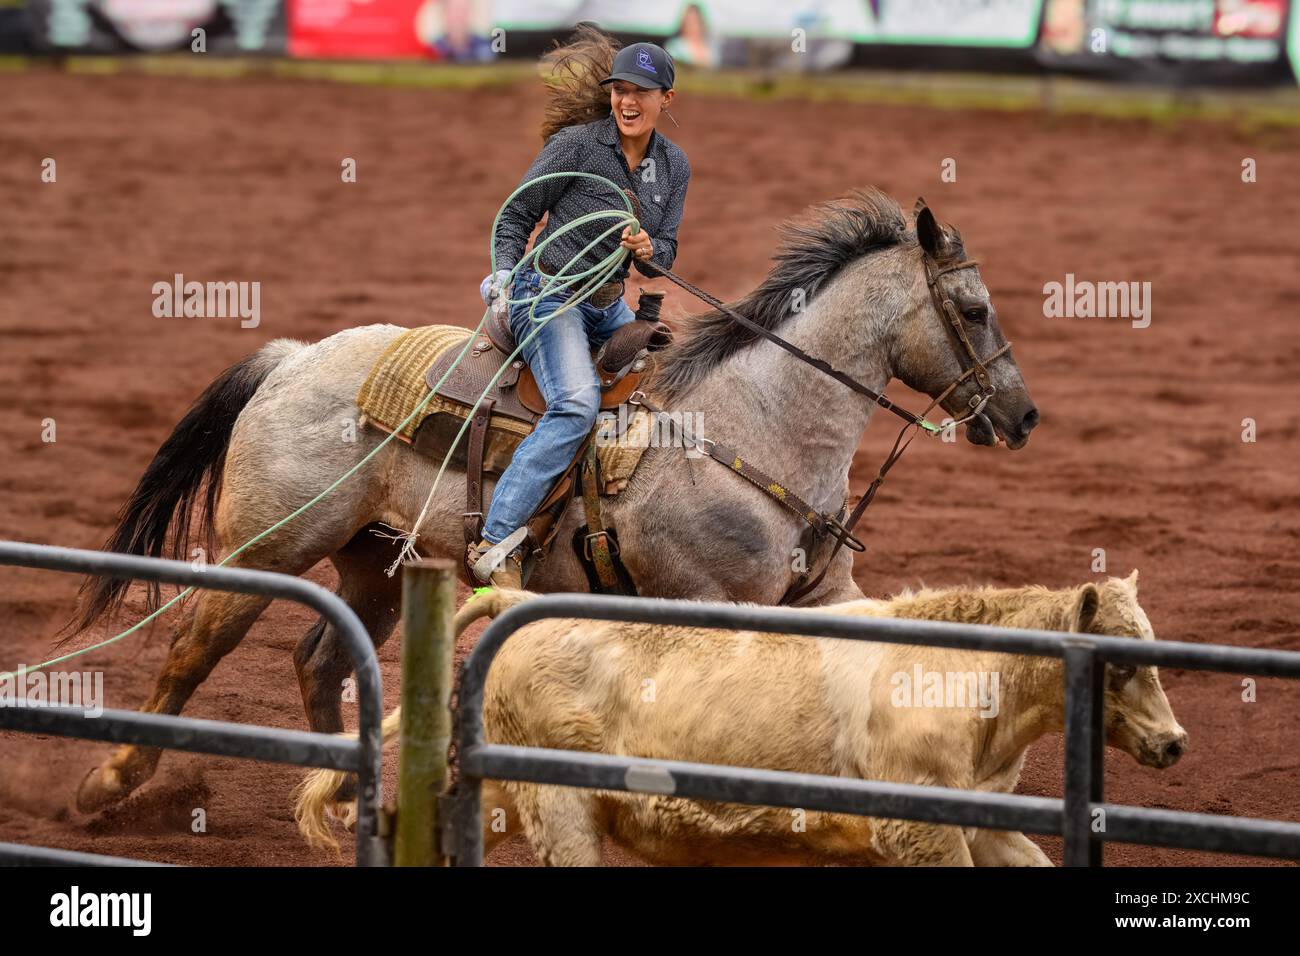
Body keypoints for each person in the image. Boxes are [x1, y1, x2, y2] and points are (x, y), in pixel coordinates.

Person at [470, 28, 691, 587]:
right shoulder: (575, 146)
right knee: (575, 404)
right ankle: (495, 542)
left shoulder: (675, 167)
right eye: (620, 89)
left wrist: (649, 250)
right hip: (548, 297)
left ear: (667, 99)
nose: (628, 101)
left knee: (675, 388)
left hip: (608, 302)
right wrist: (502, 273)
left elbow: (661, 258)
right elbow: (517, 216)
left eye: (642, 91)